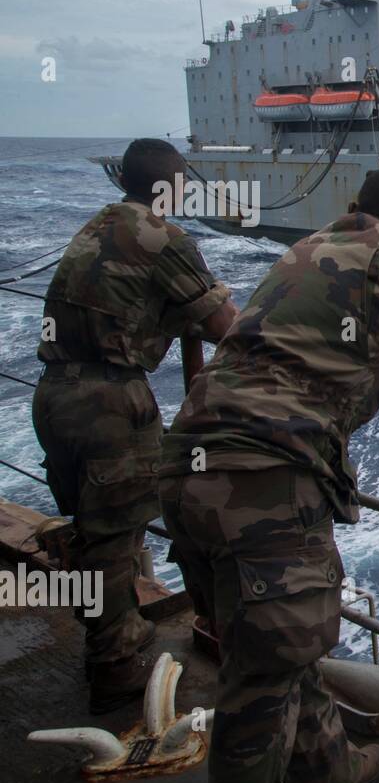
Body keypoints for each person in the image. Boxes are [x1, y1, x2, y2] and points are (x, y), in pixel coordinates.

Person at [158, 167, 379, 783]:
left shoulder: (304, 248)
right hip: (261, 479)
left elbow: (301, 346)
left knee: (277, 650)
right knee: (257, 686)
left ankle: (325, 772)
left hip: (186, 462)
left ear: (356, 206)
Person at [32, 138, 236, 713]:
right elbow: (223, 324)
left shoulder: (98, 225)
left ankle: (112, 634)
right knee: (112, 540)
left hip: (55, 393)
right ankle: (114, 662)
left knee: (92, 527)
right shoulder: (163, 236)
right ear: (173, 186)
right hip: (108, 403)